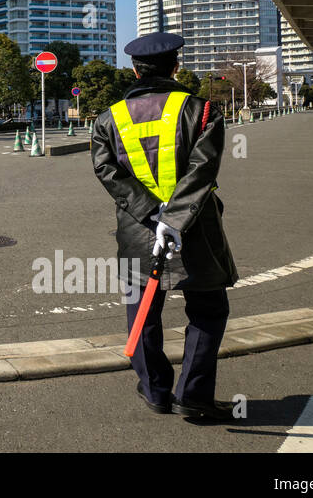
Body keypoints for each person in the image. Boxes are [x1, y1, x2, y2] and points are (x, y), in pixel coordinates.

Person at [91, 33, 239, 420]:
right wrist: (173, 218)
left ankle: (155, 390)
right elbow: (202, 170)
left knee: (141, 313)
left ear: (135, 69)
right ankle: (193, 395)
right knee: (207, 311)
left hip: (139, 230)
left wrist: (152, 213)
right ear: (176, 67)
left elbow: (107, 172)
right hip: (196, 230)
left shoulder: (109, 118)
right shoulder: (202, 111)